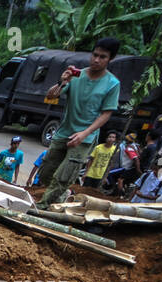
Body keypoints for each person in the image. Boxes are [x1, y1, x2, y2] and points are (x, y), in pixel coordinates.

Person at [35, 37, 122, 209]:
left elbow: (106, 114)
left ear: (110, 59)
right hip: (64, 131)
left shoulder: (112, 84)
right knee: (45, 172)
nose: (96, 60)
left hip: (85, 138)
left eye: (102, 57)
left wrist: (85, 133)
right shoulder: (77, 75)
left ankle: (41, 207)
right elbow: (51, 96)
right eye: (95, 55)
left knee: (64, 176)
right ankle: (63, 196)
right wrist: (63, 81)